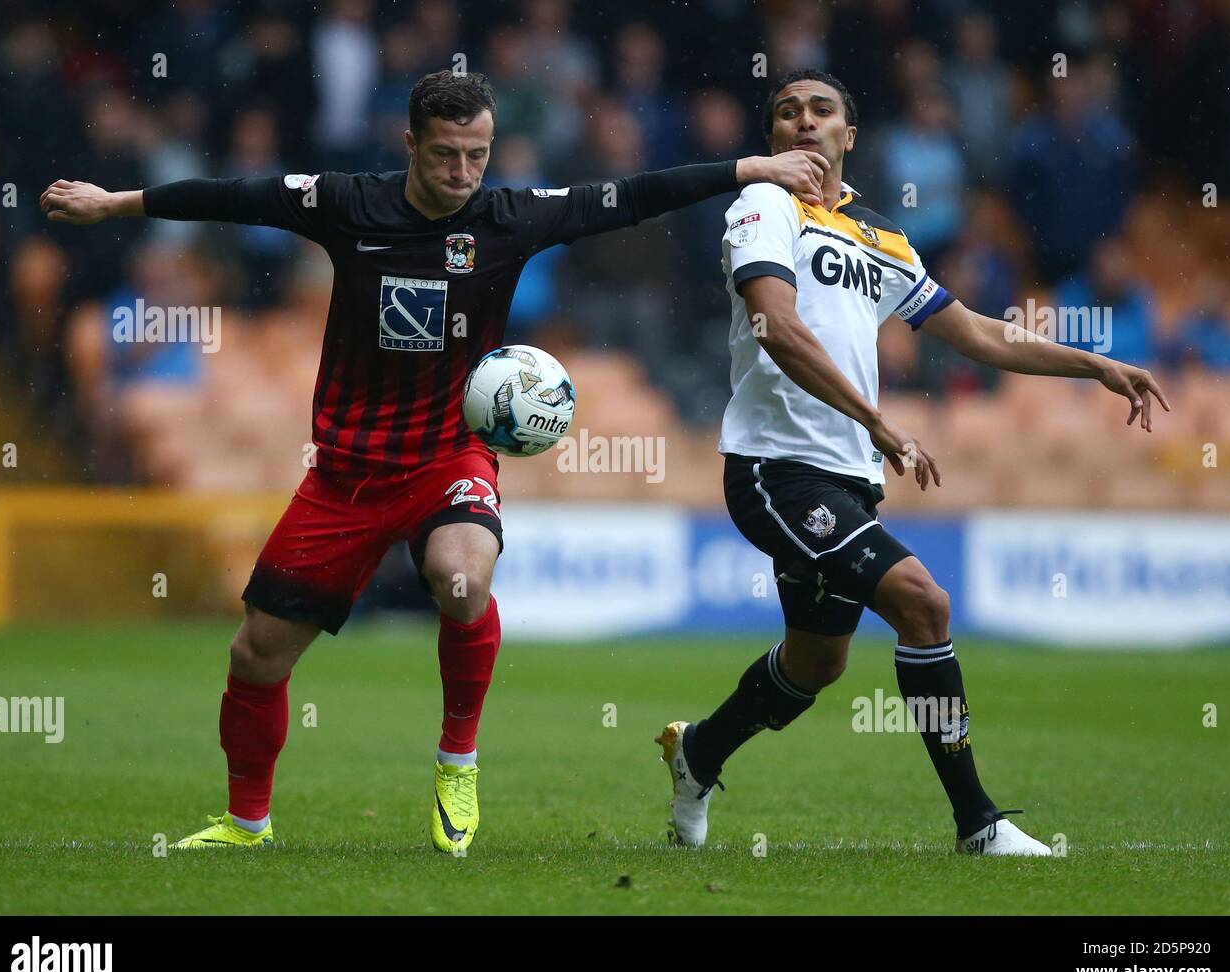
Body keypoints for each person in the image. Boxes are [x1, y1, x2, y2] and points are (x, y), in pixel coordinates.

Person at [41, 69, 825, 854]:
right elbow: (236, 194)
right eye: (446, 155)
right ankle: (247, 824)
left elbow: (625, 195)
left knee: (462, 578)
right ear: (410, 142)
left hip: (449, 454)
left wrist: (749, 169)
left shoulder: (508, 217)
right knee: (256, 652)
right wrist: (117, 203)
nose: (462, 173)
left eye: (477, 155)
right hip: (345, 471)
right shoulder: (347, 203)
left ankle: (457, 762)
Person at [657, 69, 1169, 856]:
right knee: (922, 602)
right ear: (771, 140)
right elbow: (778, 328)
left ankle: (698, 755)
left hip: (846, 476)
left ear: (848, 136)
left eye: (821, 110)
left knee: (815, 666)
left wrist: (1092, 363)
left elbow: (980, 334)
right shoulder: (763, 205)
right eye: (786, 112)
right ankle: (979, 823)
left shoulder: (881, 235)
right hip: (774, 468)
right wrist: (880, 421)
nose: (803, 121)